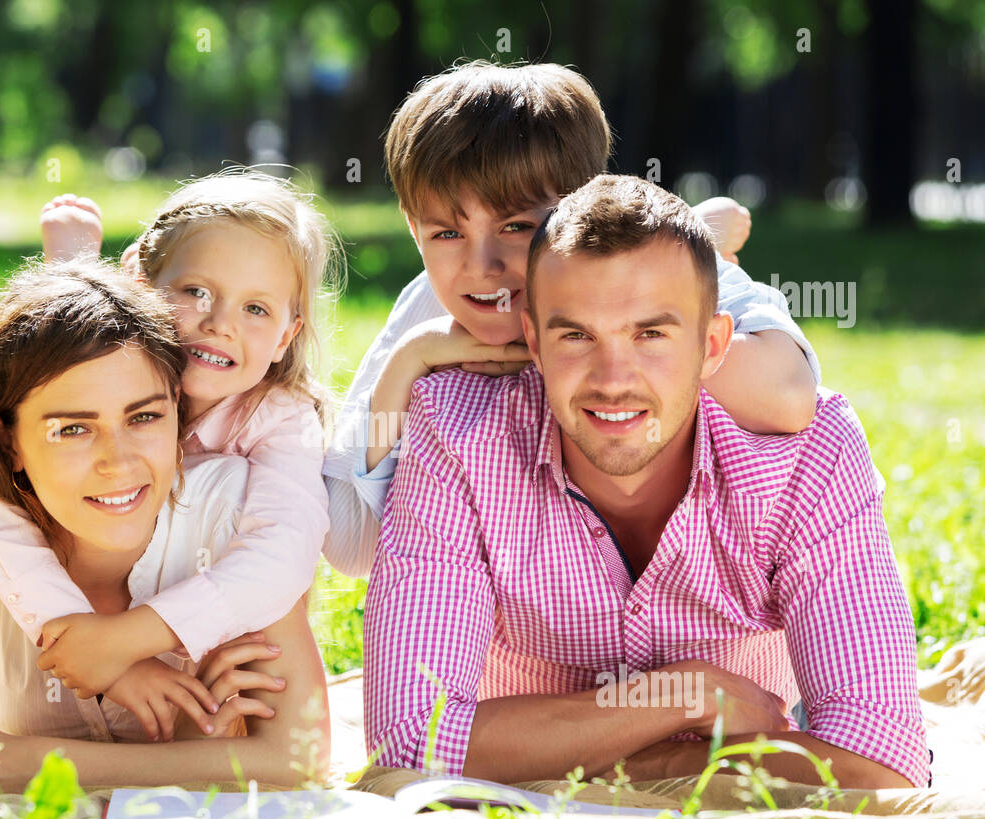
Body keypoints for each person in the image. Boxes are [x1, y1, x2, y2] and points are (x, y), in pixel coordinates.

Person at [363, 175, 930, 791]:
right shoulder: (456, 435)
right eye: (576, 335)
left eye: (650, 335)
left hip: (529, 765)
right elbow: (411, 740)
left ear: (713, 344)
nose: (613, 379)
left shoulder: (810, 454)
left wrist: (656, 766)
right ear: (533, 340)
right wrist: (683, 697)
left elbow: (884, 760)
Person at [322, 60, 820, 579]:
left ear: (585, 208)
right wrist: (408, 361)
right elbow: (352, 543)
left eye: (515, 226)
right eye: (447, 233)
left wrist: (654, 326)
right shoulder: (429, 307)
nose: (480, 267)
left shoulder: (675, 270)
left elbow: (789, 399)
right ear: (412, 226)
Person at [0, 260, 330, 791]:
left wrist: (32, 764)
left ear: (177, 408)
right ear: (8, 441)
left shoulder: (240, 517)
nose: (118, 463)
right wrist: (207, 760)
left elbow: (297, 763)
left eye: (143, 417)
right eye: (74, 429)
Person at [0, 170, 338, 717]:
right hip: (62, 654)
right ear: (143, 289)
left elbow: (279, 557)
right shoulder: (107, 365)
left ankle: (74, 271)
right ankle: (73, 274)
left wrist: (131, 639)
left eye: (256, 309)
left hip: (209, 655)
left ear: (287, 336)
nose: (220, 324)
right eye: (196, 292)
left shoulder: (281, 420)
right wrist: (85, 639)